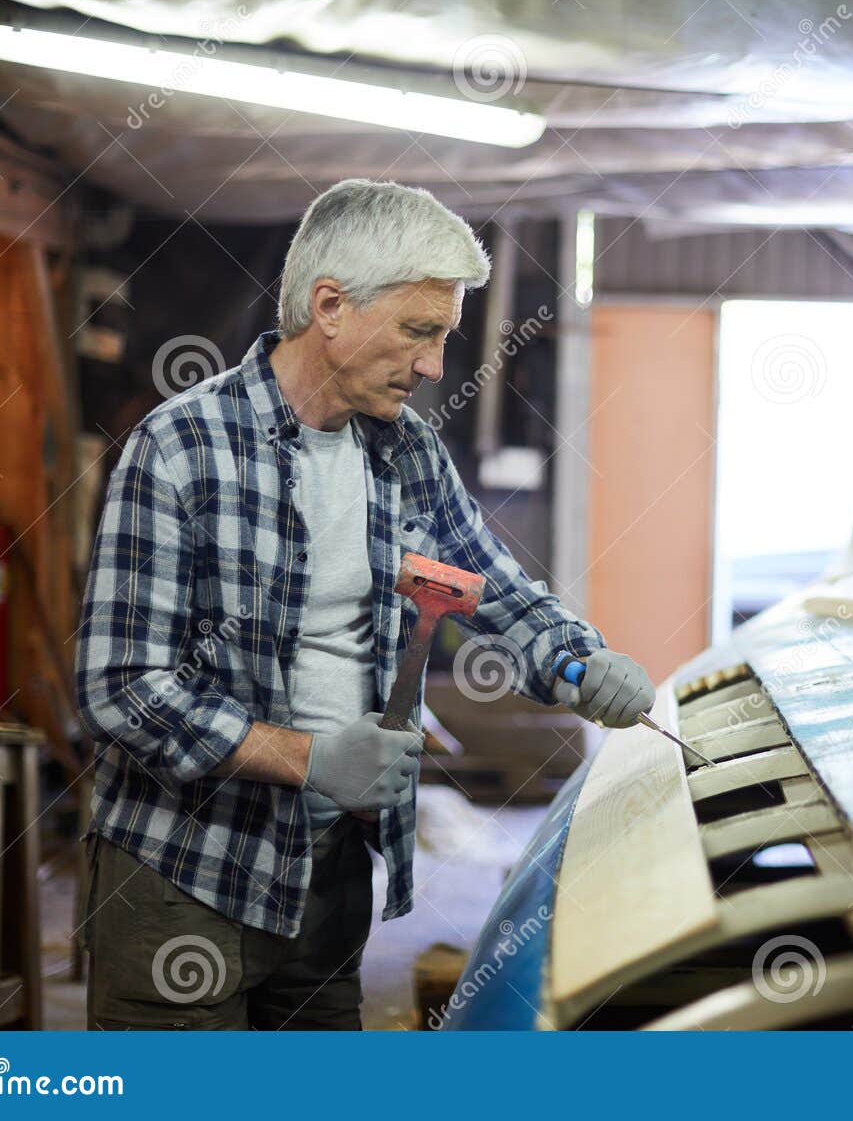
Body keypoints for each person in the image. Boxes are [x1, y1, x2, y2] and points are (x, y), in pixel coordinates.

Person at [74, 179, 654, 1029]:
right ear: (331, 306)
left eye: (444, 337)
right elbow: (119, 688)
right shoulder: (182, 448)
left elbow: (492, 585)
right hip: (186, 875)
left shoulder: (408, 452)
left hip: (331, 875)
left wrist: (578, 659)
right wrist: (307, 759)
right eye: (419, 332)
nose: (433, 366)